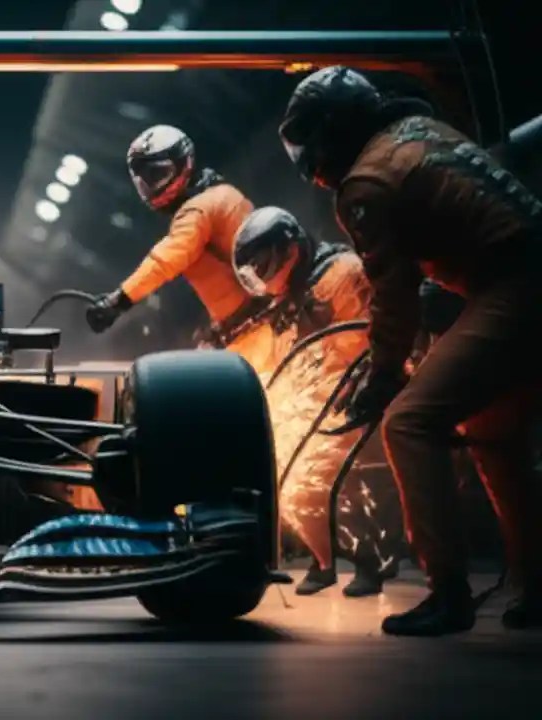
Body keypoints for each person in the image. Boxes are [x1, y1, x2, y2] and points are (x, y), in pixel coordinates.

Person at [280, 65, 542, 636]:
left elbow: (392, 299)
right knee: (491, 433)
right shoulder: (421, 131)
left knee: (408, 423)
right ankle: (534, 583)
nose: (318, 174)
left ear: (333, 132)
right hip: (517, 279)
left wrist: (381, 379)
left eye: (316, 150)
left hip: (517, 288)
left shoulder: (366, 185)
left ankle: (448, 593)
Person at [232, 206, 397, 597]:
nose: (262, 275)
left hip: (360, 393)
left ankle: (368, 563)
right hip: (323, 395)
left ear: (289, 247)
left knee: (323, 473)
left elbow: (362, 345)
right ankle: (323, 563)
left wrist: (344, 395)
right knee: (288, 474)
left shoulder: (343, 274)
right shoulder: (294, 293)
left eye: (264, 264)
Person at [85, 125, 274, 369]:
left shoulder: (198, 210)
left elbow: (166, 259)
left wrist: (118, 301)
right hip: (257, 320)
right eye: (145, 182)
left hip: (258, 329)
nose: (154, 188)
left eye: (158, 174)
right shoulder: (222, 193)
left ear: (183, 163)